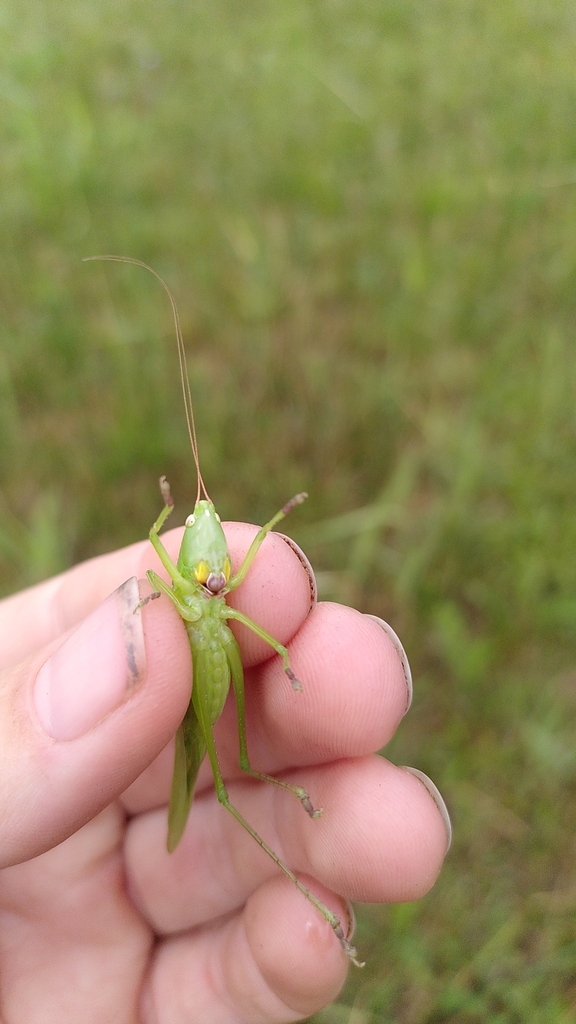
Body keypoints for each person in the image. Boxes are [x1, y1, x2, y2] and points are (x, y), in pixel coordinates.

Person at [0, 518, 450, 1022]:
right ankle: (309, 891)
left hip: (221, 653)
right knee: (226, 785)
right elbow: (155, 544)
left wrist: (274, 525)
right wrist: (170, 519)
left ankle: (284, 795)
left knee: (244, 752)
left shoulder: (222, 586)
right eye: (194, 520)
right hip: (197, 675)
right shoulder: (180, 582)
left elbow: (229, 563)